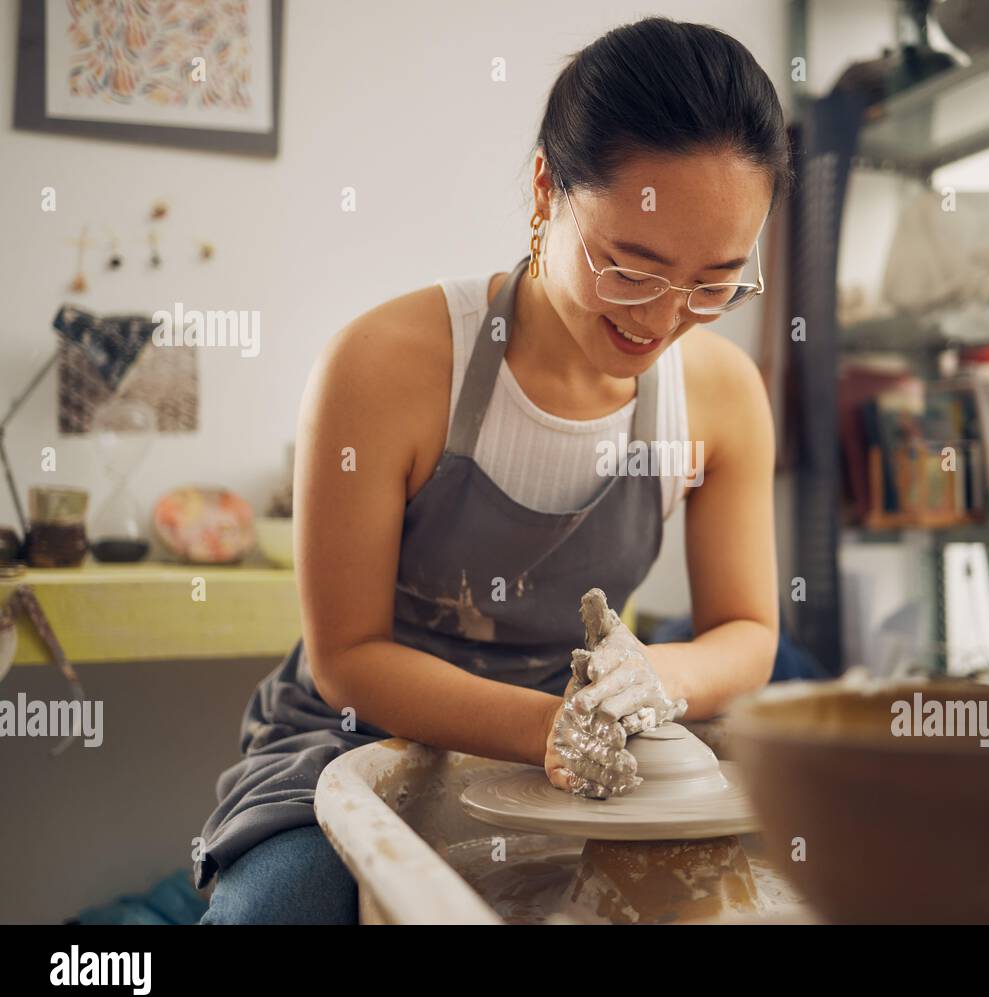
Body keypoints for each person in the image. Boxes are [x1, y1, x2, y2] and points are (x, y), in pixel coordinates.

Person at [197, 15, 790, 924]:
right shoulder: (385, 364)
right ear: (549, 190)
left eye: (714, 285)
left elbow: (748, 627)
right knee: (278, 913)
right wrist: (547, 729)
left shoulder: (720, 394)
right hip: (352, 741)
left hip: (597, 758)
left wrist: (654, 681)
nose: (665, 319)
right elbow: (348, 657)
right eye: (631, 269)